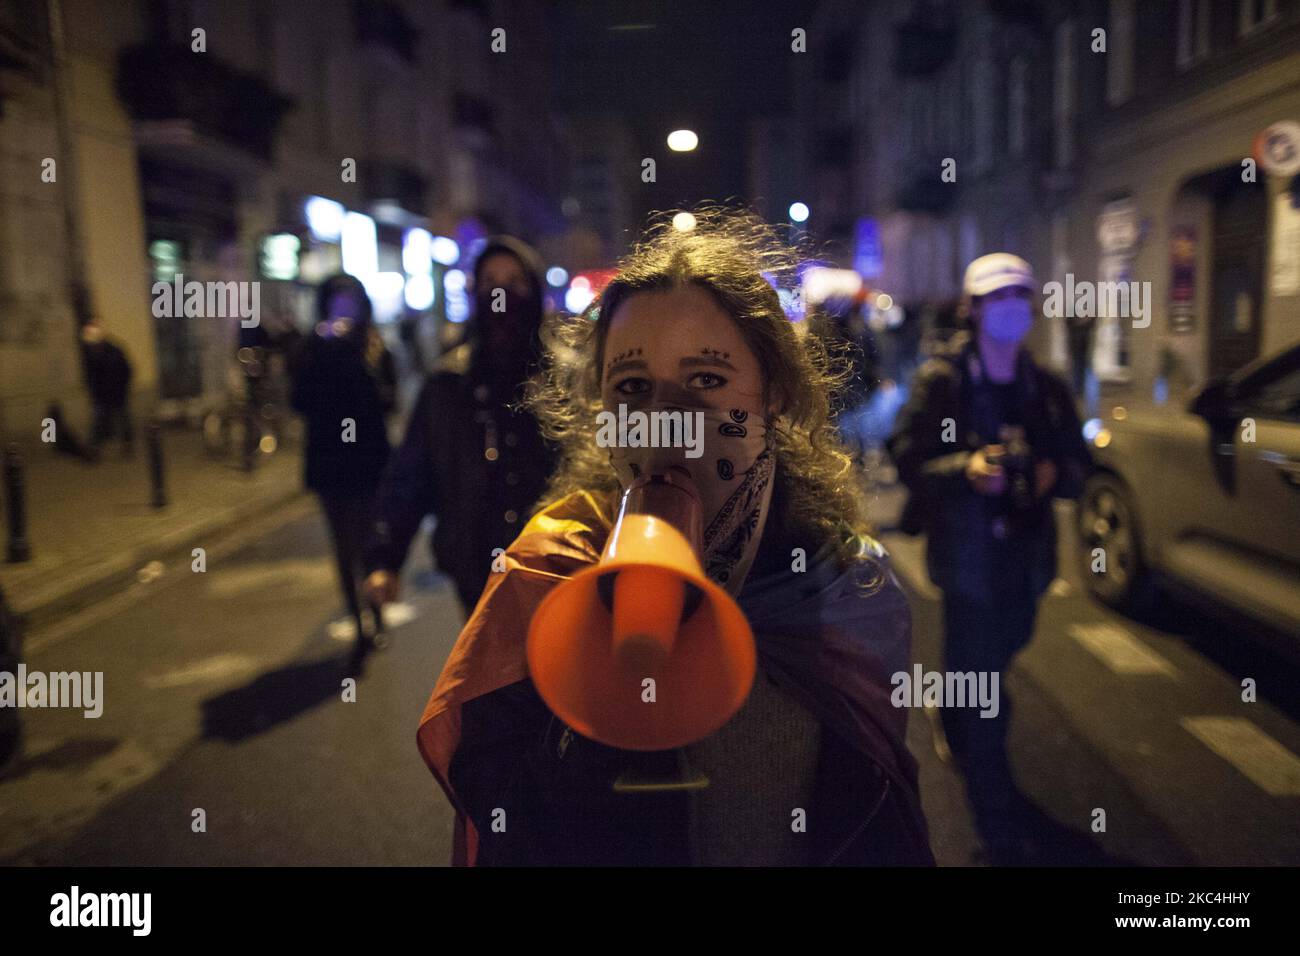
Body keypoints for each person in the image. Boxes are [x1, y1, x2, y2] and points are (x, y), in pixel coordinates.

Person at [415, 209, 935, 866]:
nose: (663, 423)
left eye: (708, 381)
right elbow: (497, 810)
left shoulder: (851, 584)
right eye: (632, 388)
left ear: (772, 391)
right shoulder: (543, 580)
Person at [886, 253, 1091, 864]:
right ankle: (998, 827)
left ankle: (953, 706)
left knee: (1000, 648)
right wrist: (965, 470)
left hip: (1027, 560)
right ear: (972, 309)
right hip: (968, 553)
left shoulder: (1046, 389)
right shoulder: (943, 382)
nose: (1012, 309)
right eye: (998, 298)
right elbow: (907, 458)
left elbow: (1081, 469)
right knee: (988, 688)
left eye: (1021, 297)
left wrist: (1054, 472)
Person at [363, 237, 557, 617]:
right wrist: (385, 556)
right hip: (477, 568)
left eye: (515, 281)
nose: (502, 293)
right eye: (490, 282)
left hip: (557, 566)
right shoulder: (448, 384)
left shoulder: (567, 378)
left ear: (533, 290)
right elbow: (411, 473)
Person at [290, 274, 397, 669]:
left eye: (349, 301)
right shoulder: (313, 347)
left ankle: (378, 614)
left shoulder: (372, 346)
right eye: (336, 302)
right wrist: (319, 352)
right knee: (343, 547)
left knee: (369, 541)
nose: (343, 310)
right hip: (329, 462)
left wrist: (358, 360)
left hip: (367, 461)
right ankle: (357, 622)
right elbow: (299, 401)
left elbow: (387, 399)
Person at [80, 319, 134, 459]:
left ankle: (127, 445)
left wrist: (122, 386)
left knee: (122, 418)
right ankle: (94, 448)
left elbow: (126, 370)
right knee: (99, 421)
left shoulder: (115, 351)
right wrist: (93, 391)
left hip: (117, 392)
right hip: (102, 394)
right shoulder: (92, 355)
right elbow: (90, 375)